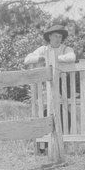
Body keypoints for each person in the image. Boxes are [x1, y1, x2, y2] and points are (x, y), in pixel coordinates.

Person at [24, 24, 77, 154]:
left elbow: (72, 57)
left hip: (63, 83)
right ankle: (44, 146)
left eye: (60, 36)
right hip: (46, 85)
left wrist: (54, 59)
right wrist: (42, 58)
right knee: (45, 111)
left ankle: (62, 144)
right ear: (49, 37)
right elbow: (27, 59)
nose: (58, 39)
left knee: (65, 112)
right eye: (55, 36)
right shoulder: (43, 49)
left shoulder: (66, 48)